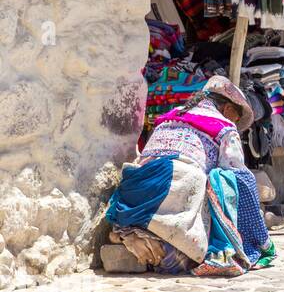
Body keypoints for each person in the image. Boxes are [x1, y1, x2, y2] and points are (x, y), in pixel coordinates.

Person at [104, 75, 274, 277]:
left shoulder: (168, 117)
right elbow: (236, 171)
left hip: (134, 188)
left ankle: (131, 234)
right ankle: (250, 243)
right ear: (228, 109)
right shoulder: (225, 128)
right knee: (235, 180)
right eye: (235, 118)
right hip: (172, 183)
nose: (233, 123)